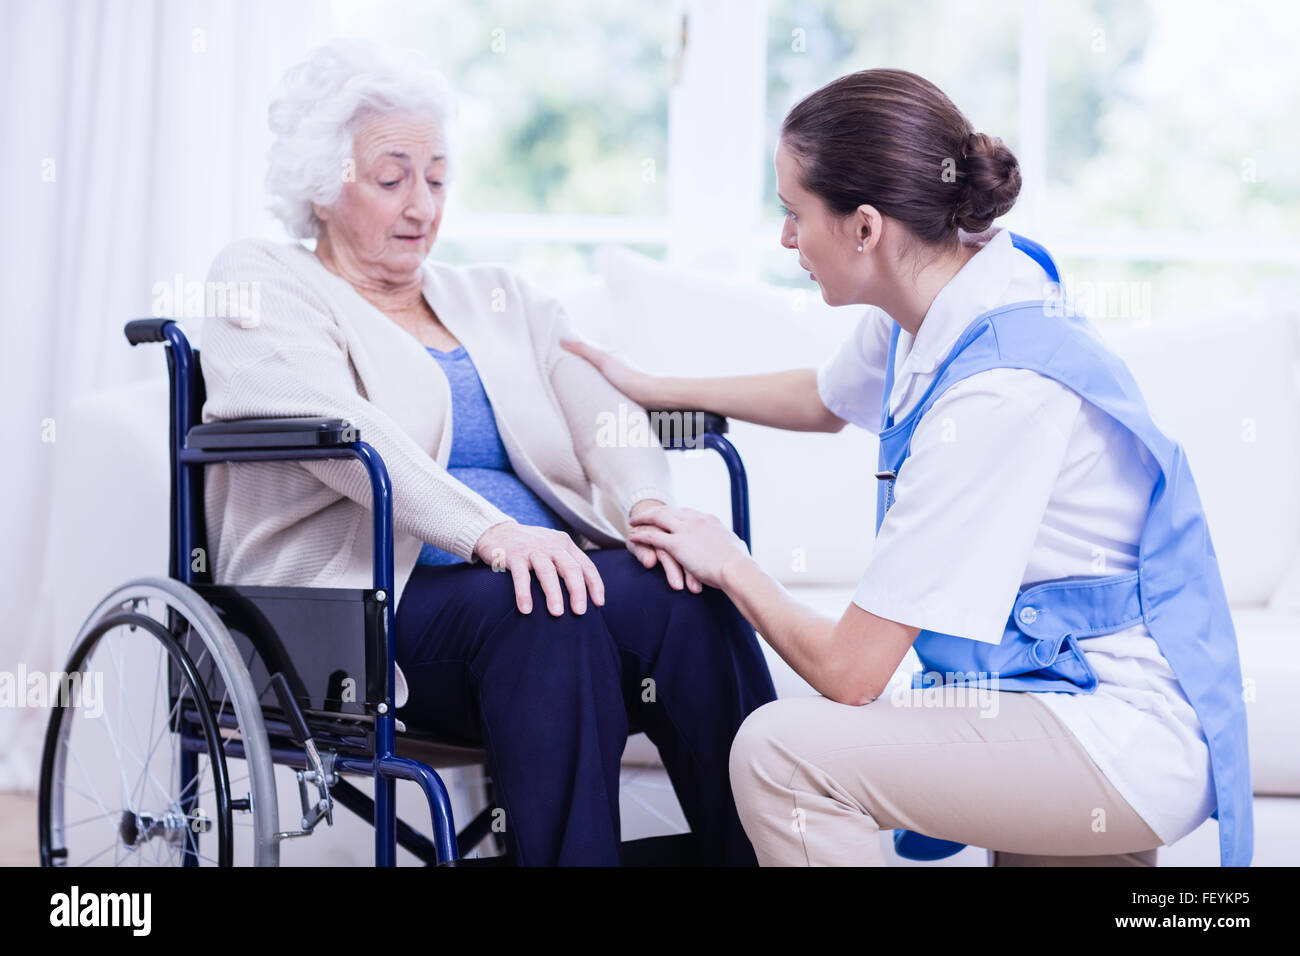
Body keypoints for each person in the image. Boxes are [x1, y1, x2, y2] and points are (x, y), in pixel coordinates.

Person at [564, 68, 1252, 867]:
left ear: (863, 228)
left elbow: (852, 673)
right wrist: (653, 386)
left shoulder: (996, 396)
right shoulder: (947, 290)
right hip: (1061, 700)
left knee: (781, 753)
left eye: (794, 213)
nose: (786, 239)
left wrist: (730, 563)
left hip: (1113, 733)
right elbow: (824, 400)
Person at [199, 37, 776, 866]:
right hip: (358, 609)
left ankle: (764, 855)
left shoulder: (497, 295)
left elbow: (596, 402)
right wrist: (492, 536)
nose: (423, 206)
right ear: (322, 187)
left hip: (531, 593)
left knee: (688, 592)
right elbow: (336, 429)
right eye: (393, 177)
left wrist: (647, 503)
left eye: (437, 178)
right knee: (543, 607)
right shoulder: (262, 279)